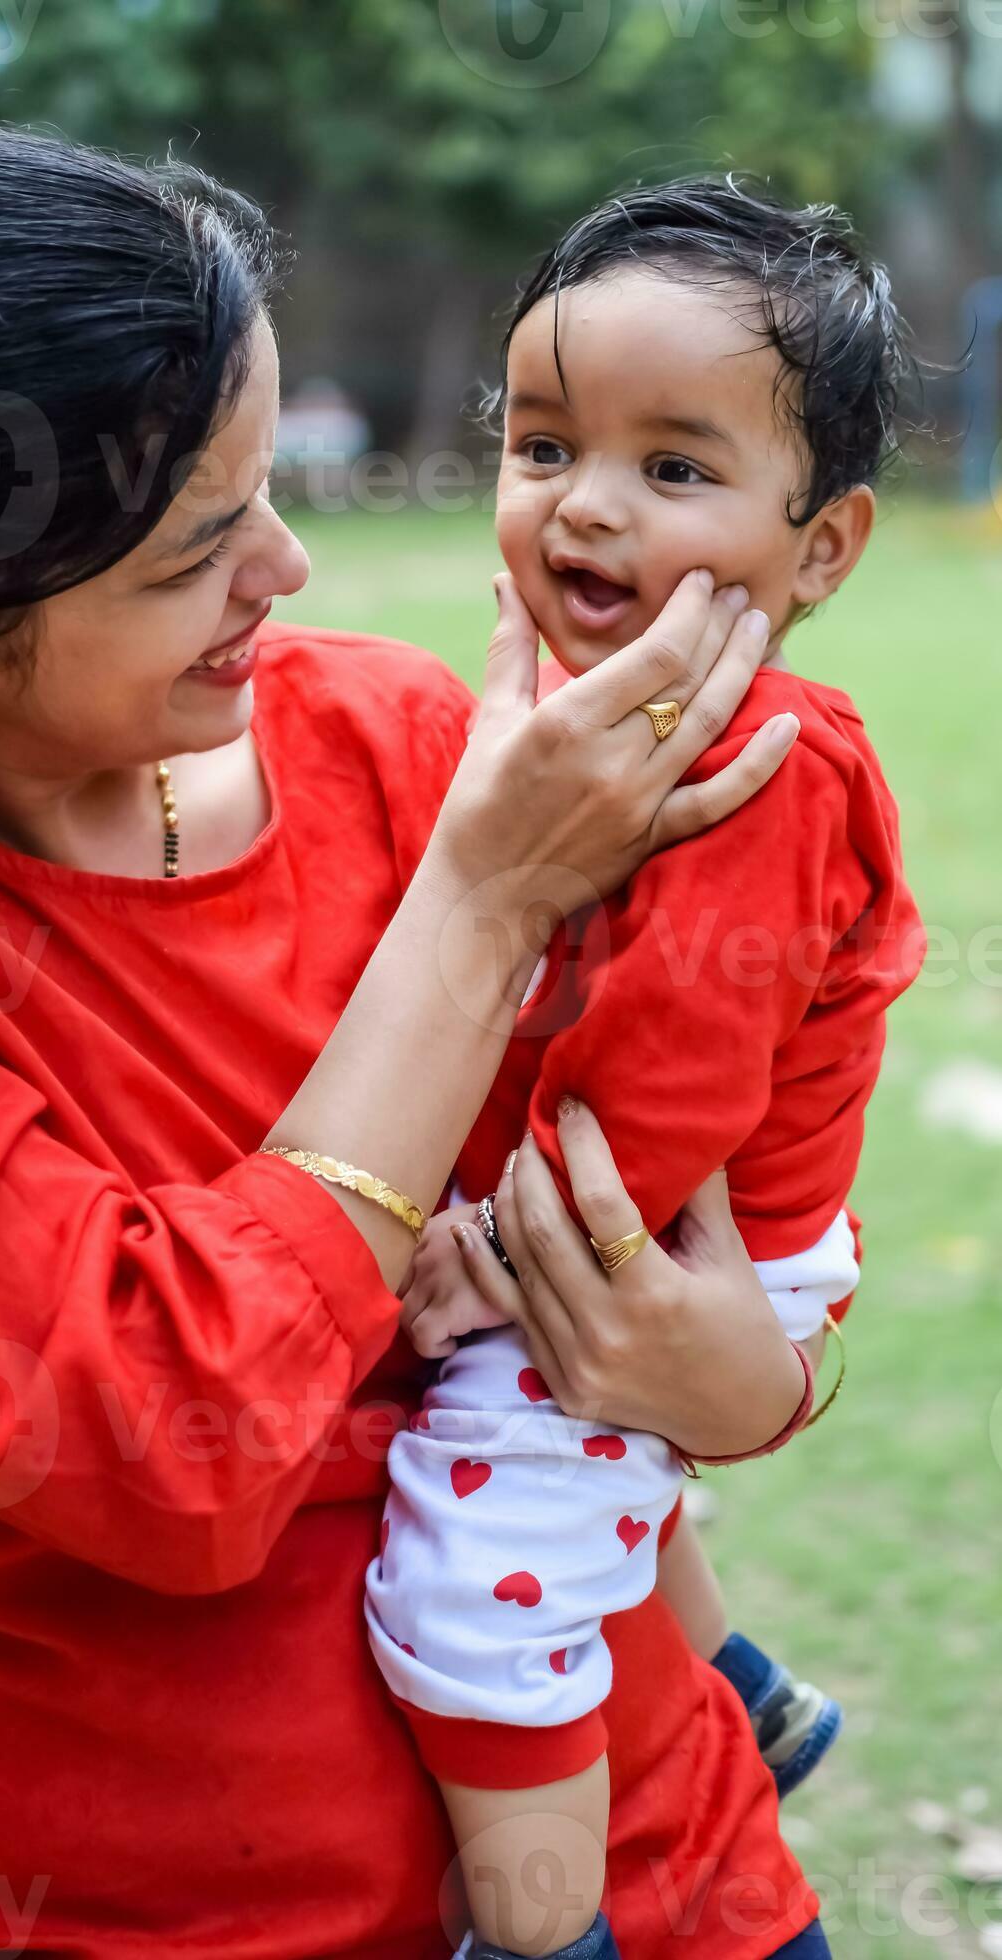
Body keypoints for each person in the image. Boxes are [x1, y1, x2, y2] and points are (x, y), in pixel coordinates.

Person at [0, 124, 819, 1960]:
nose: (291, 570)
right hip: (174, 1903)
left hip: (657, 1846)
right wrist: (474, 914)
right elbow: (165, 1451)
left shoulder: (390, 736)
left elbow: (672, 1196)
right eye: (197, 551)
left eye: (267, 486)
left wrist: (743, 1378)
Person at [364, 178, 926, 1960]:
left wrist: (491, 1254)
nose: (586, 504)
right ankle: (737, 1684)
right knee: (604, 1471)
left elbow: (667, 1081)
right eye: (545, 445)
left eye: (675, 470)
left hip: (665, 1238)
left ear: (818, 548)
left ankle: (540, 1933)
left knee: (474, 1569)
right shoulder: (588, 714)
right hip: (619, 1203)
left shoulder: (763, 759)